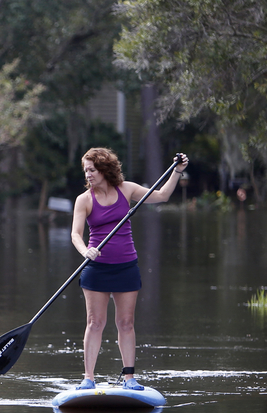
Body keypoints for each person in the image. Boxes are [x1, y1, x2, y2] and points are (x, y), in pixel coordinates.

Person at [71, 148, 188, 390]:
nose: (88, 174)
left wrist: (176, 171)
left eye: (92, 169)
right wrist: (85, 251)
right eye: (86, 170)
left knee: (126, 323)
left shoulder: (127, 189)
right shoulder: (84, 200)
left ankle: (129, 378)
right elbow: (75, 234)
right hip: (96, 269)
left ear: (104, 168)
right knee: (95, 323)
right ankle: (88, 378)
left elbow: (163, 195)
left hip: (126, 268)